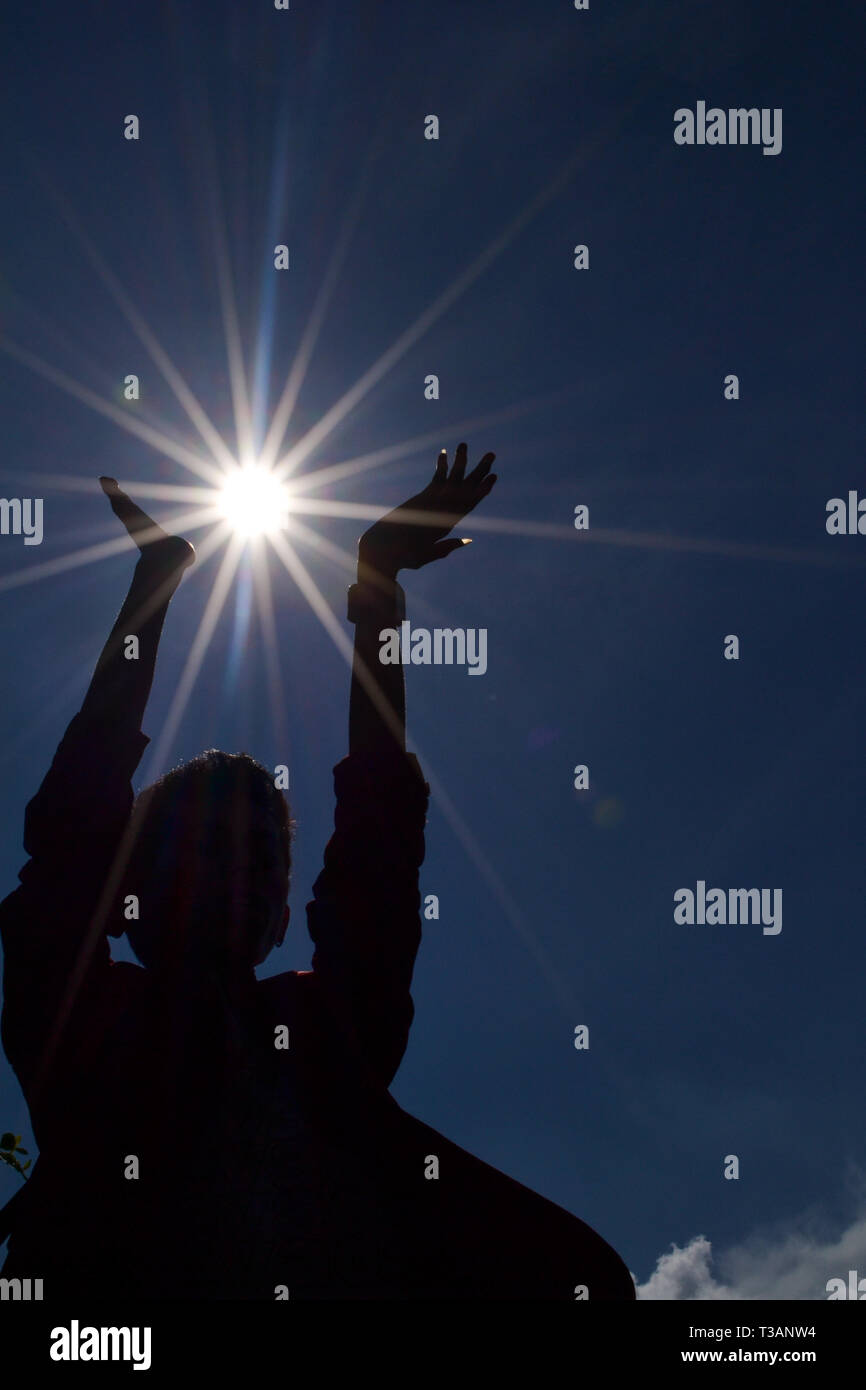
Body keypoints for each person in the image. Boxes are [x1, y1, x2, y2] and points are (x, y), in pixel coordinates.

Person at [0, 445, 634, 1299]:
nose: (241, 873)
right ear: (121, 902)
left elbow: (376, 849)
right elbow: (76, 827)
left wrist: (378, 594)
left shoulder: (324, 1029)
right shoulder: (83, 1017)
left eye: (265, 855)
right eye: (204, 847)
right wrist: (155, 584)